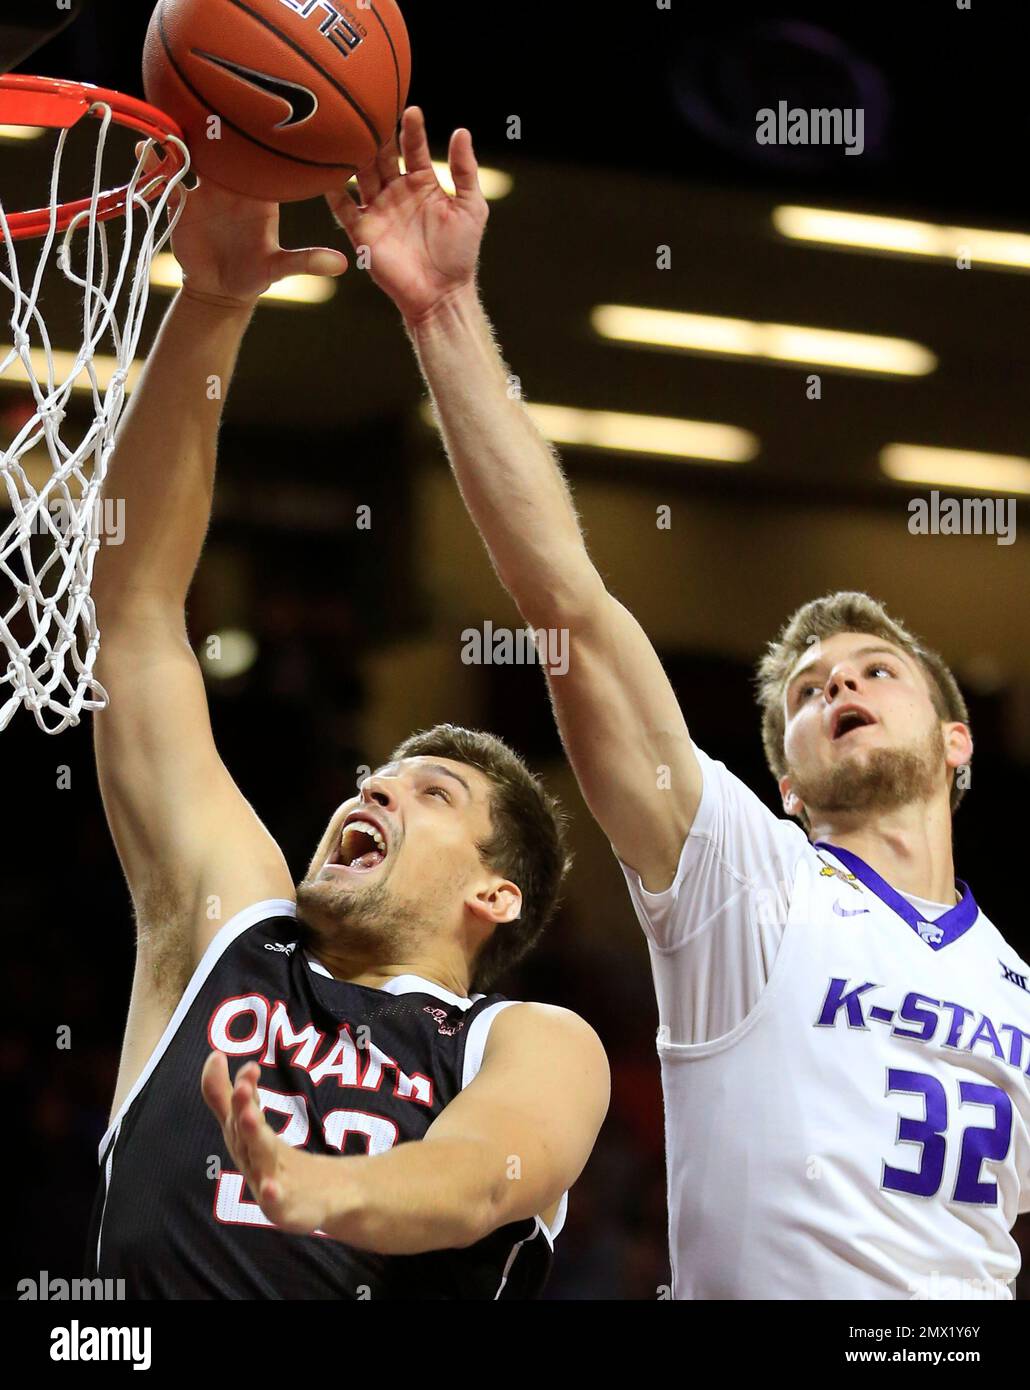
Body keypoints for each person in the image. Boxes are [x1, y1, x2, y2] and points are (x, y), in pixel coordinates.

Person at [363, 110, 1030, 1298]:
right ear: (781, 779)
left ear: (956, 735)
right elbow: (567, 600)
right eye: (810, 690)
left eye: (874, 670)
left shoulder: (1017, 982)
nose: (840, 686)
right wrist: (440, 311)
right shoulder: (745, 880)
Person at [84, 128, 609, 1300]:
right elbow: (135, 618)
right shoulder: (228, 935)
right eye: (378, 775)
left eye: (434, 795)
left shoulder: (524, 1042)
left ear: (495, 894)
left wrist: (315, 1188)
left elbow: (478, 1177)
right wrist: (211, 303)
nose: (374, 789)